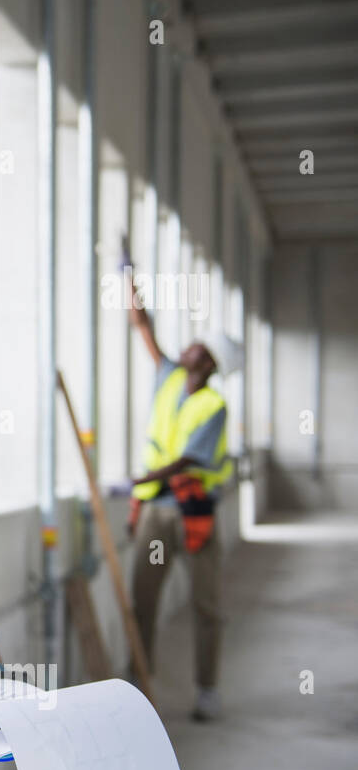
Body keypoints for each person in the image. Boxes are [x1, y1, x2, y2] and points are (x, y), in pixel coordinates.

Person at [125, 260, 240, 722]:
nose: (187, 348)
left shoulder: (215, 405)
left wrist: (146, 479)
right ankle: (138, 687)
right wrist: (129, 284)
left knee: (206, 603)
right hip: (156, 512)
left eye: (197, 347)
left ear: (209, 363)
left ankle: (207, 690)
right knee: (143, 600)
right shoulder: (168, 377)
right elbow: (144, 328)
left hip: (195, 514)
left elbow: (191, 458)